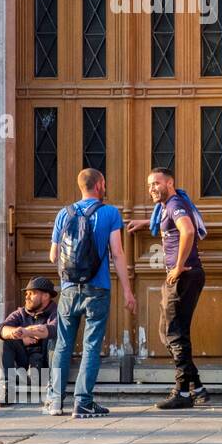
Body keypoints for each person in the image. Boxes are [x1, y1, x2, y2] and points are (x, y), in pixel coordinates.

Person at [46, 168, 136, 418]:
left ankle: (55, 400)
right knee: (91, 345)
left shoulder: (64, 214)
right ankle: (83, 402)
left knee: (63, 344)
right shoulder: (109, 213)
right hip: (97, 289)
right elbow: (117, 253)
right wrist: (128, 291)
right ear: (100, 185)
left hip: (68, 289)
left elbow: (53, 255)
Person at [125, 168, 208, 410]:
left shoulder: (174, 204)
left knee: (174, 333)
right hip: (184, 275)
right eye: (150, 185)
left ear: (169, 183)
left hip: (184, 275)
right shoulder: (168, 206)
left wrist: (179, 266)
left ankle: (182, 391)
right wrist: (143, 222)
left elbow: (188, 230)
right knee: (170, 332)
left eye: (156, 183)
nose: (151, 188)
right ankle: (197, 387)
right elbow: (171, 227)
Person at [0, 278, 58, 408]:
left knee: (55, 339)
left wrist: (25, 332)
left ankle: (53, 391)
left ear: (45, 296)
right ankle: (7, 390)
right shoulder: (21, 313)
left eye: (32, 293)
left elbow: (52, 329)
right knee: (5, 338)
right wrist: (19, 335)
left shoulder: (56, 312)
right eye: (26, 293)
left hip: (46, 367)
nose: (27, 297)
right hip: (23, 369)